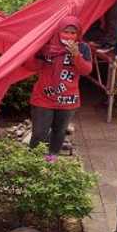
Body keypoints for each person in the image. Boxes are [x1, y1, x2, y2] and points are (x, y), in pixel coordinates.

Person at [24, 17, 92, 161]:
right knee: (39, 133)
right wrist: (32, 52)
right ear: (58, 31)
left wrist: (76, 56)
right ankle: (33, 162)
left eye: (73, 33)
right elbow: (32, 67)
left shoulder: (83, 48)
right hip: (43, 97)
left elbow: (86, 70)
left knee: (59, 132)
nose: (69, 36)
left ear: (78, 34)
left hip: (68, 99)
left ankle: (51, 159)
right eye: (65, 32)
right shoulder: (46, 45)